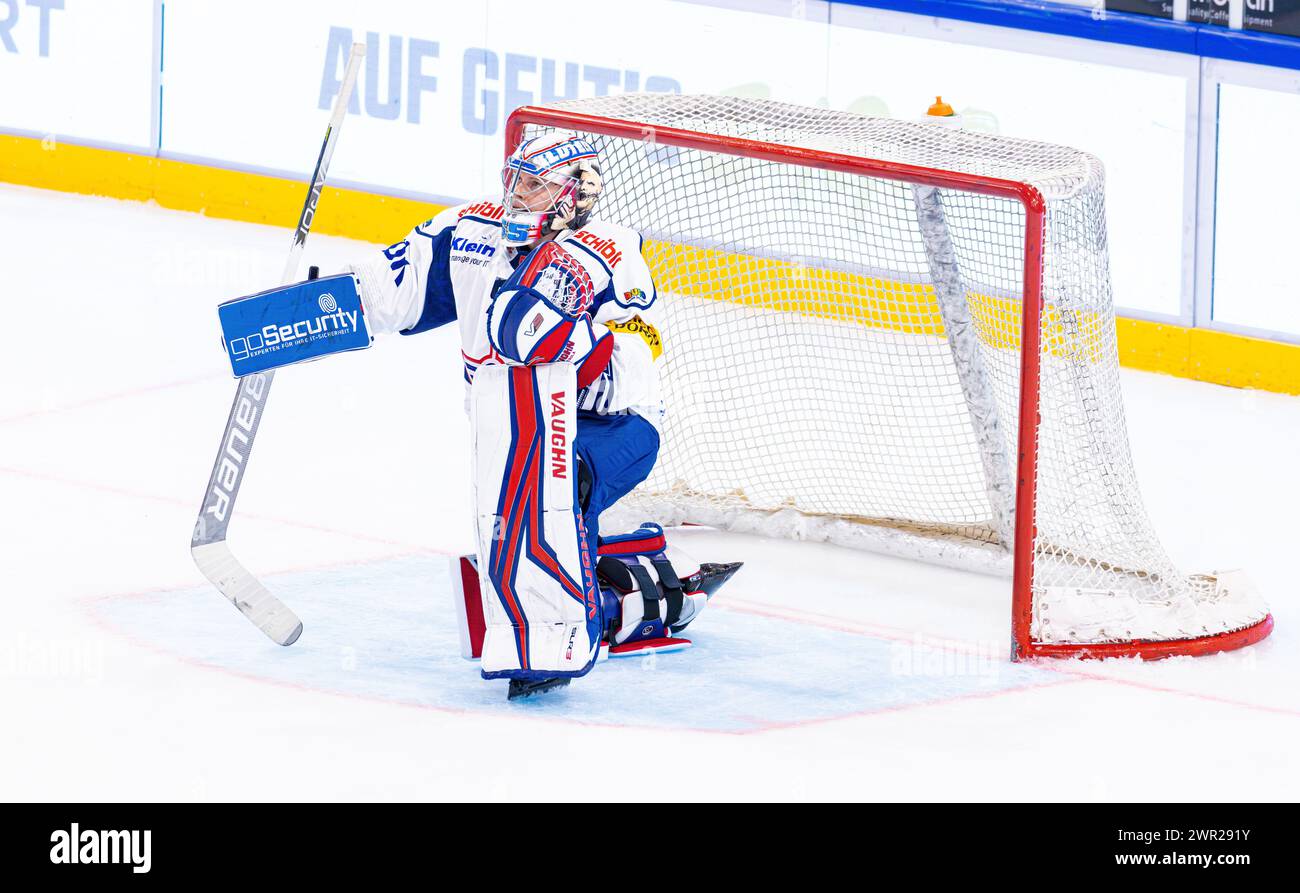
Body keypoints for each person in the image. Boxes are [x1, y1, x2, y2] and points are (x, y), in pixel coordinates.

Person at [346, 134, 737, 696]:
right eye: (515, 180)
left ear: (573, 195)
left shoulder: (611, 250)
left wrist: (573, 350)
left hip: (613, 429)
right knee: (512, 530)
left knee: (558, 487)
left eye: (535, 185)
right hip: (514, 430)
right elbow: (393, 294)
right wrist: (320, 304)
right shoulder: (470, 232)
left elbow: (633, 361)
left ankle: (594, 616)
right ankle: (643, 570)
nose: (516, 195)